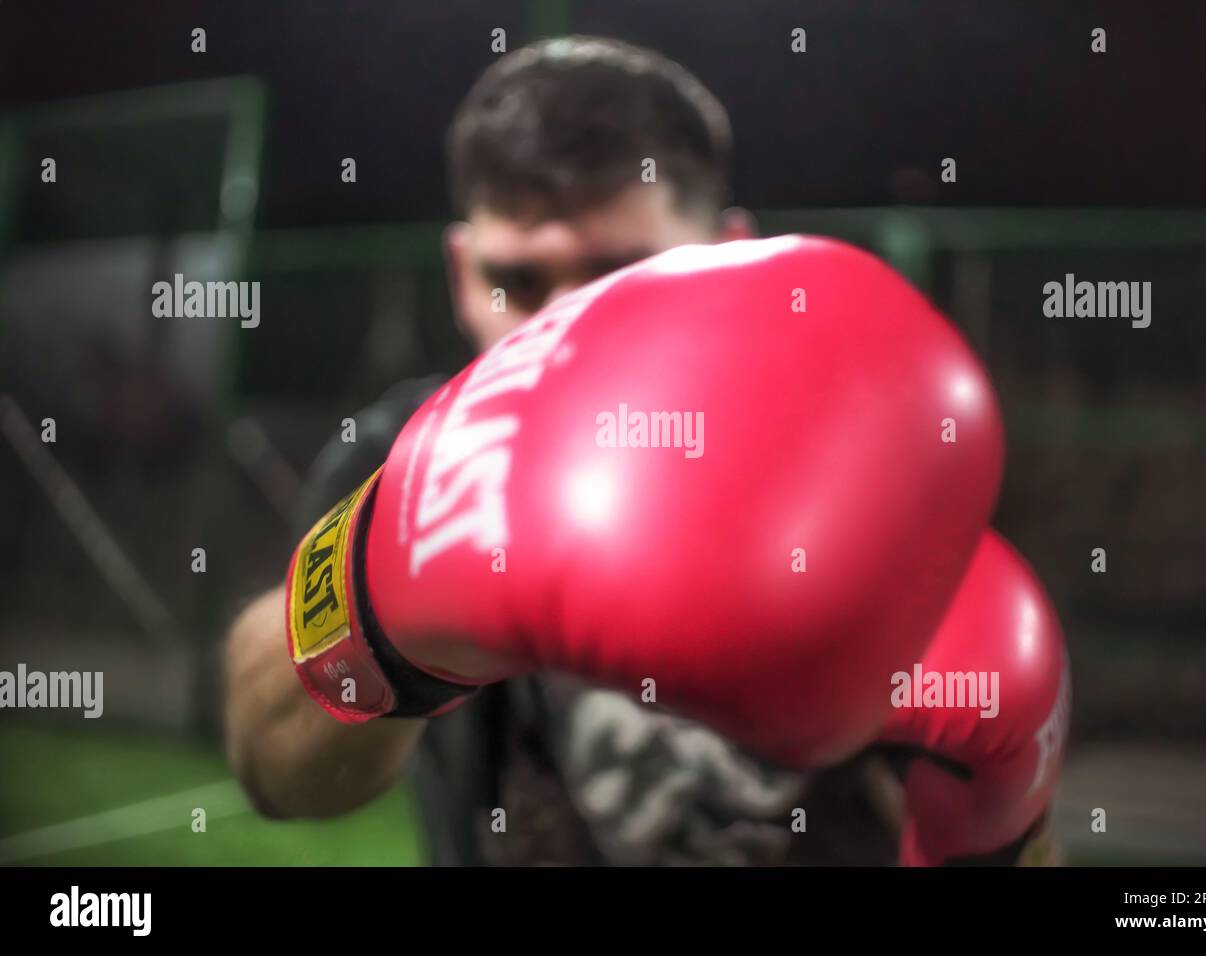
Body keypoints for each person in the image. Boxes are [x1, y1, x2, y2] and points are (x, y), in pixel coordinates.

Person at [224, 36, 1068, 866]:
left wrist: (994, 834)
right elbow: (272, 768)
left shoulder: (866, 462)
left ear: (731, 258)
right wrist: (376, 600)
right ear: (460, 273)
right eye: (515, 282)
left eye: (618, 278)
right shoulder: (405, 453)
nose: (561, 326)